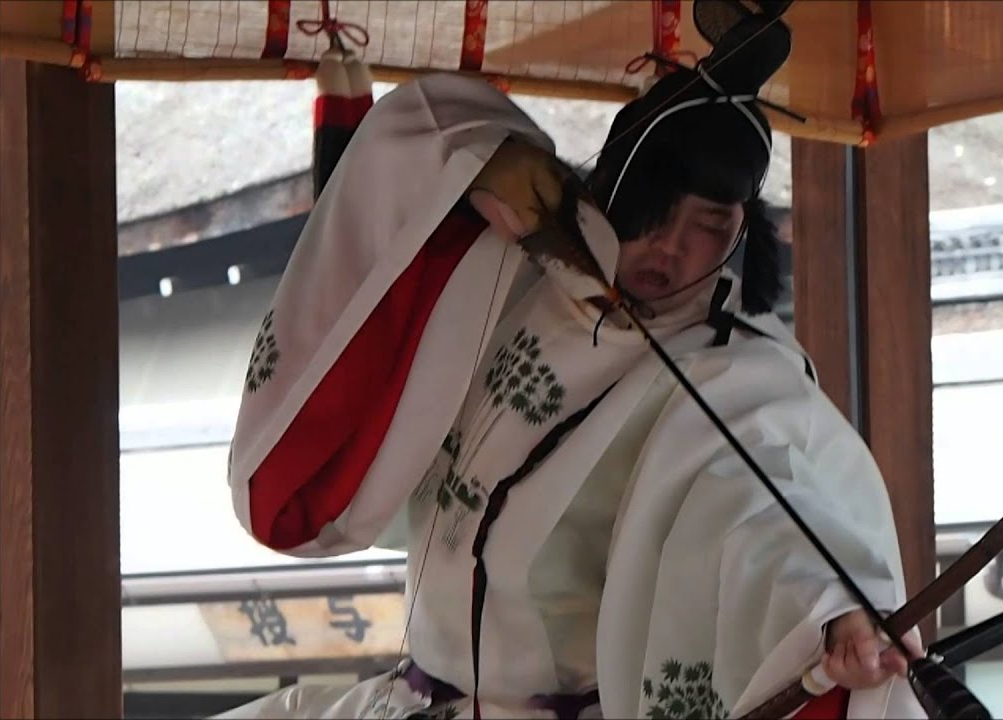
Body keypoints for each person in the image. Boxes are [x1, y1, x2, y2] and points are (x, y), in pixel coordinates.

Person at [218, 6, 924, 719]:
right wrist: (487, 156)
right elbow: (415, 151)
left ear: (742, 231)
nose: (673, 250)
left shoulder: (738, 375)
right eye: (656, 211)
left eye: (710, 227)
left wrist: (831, 609)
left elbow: (769, 507)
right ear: (612, 187)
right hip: (413, 697)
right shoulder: (509, 272)